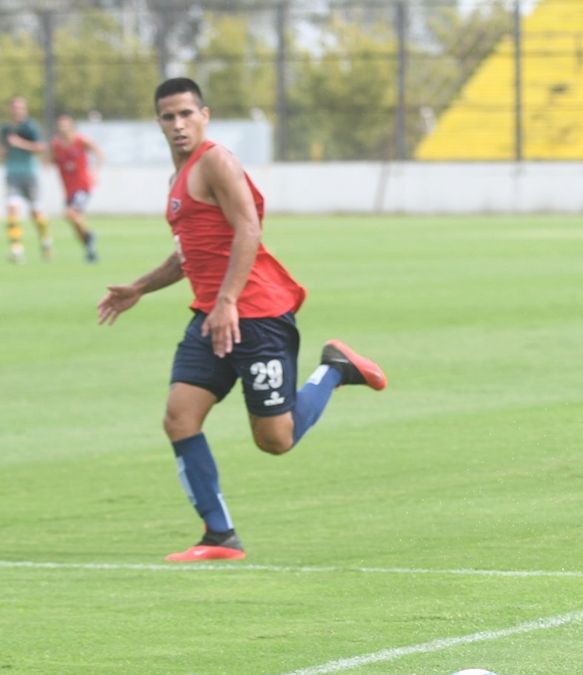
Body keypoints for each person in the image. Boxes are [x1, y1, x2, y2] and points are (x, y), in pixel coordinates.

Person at [96, 77, 388, 562]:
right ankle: (220, 536)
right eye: (169, 116)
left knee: (276, 440)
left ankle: (336, 368)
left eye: (186, 114)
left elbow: (248, 228)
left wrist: (228, 299)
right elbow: (190, 254)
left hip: (255, 315)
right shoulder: (176, 178)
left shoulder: (217, 161)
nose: (178, 124)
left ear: (204, 116)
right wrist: (139, 288)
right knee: (179, 417)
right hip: (212, 317)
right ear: (159, 123)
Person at [1, 96, 50, 263]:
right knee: (12, 208)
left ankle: (45, 240)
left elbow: (41, 147)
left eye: (20, 107)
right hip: (12, 173)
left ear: (25, 109)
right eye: (14, 107)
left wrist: (20, 143)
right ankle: (16, 248)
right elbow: (3, 151)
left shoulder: (30, 127)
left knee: (36, 212)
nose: (17, 111)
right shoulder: (6, 128)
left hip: (29, 174)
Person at [50, 113, 102, 262]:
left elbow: (99, 152)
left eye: (66, 126)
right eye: (60, 127)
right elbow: (49, 160)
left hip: (82, 185)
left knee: (70, 214)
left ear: (71, 127)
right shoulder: (56, 145)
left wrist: (96, 172)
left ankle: (90, 237)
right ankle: (89, 244)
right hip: (68, 189)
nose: (63, 129)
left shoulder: (81, 140)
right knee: (75, 222)